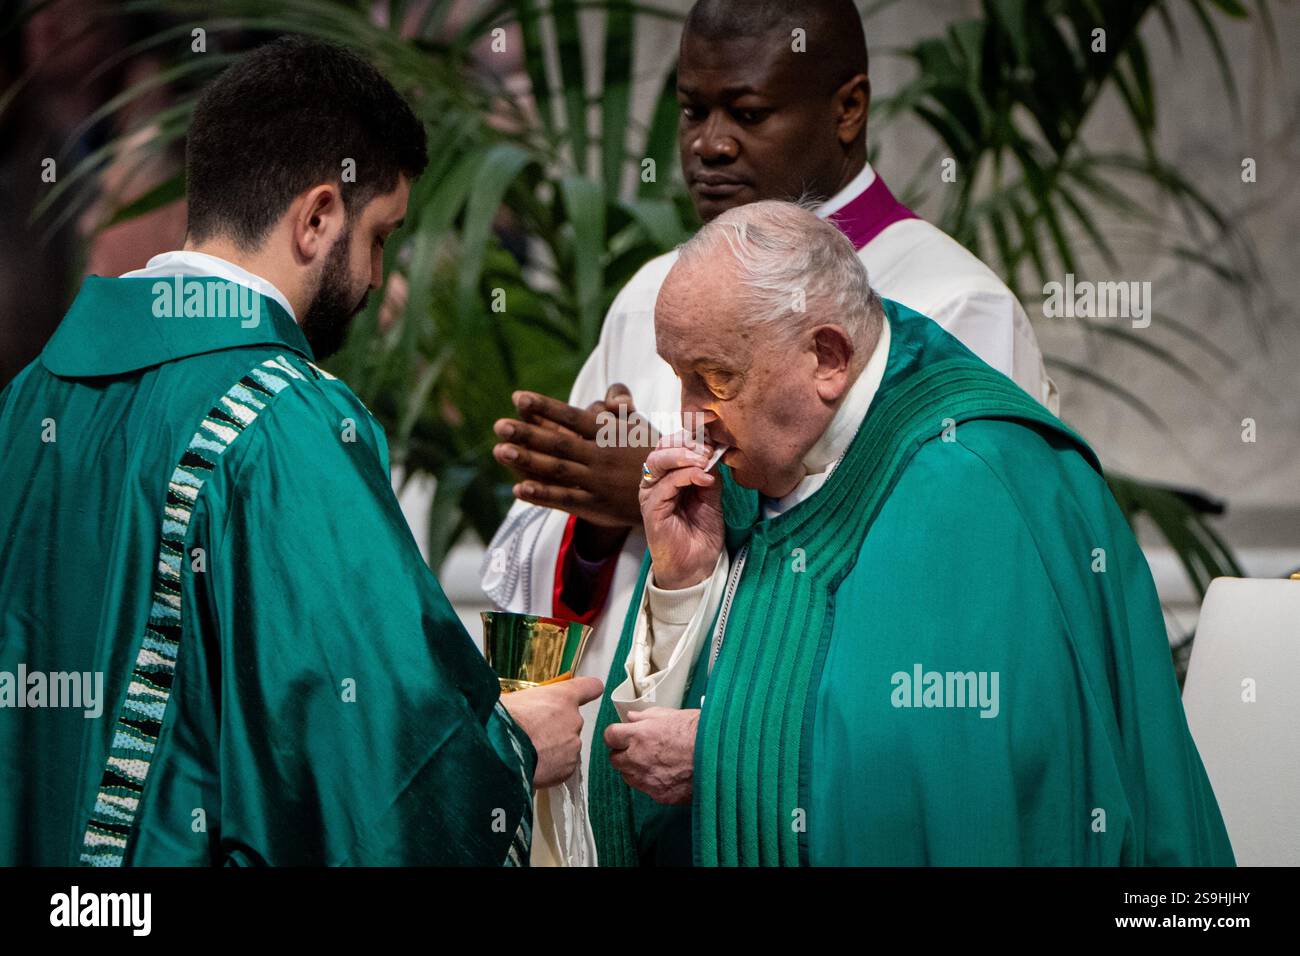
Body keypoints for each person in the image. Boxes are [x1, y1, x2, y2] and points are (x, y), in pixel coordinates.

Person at [0, 35, 600, 867]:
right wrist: (514, 752)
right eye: (381, 236)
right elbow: (378, 765)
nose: (377, 277)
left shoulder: (27, 401)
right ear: (318, 217)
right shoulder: (285, 422)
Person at [483, 0, 1057, 864]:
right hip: (631, 776)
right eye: (691, 110)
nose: (708, 144)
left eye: (746, 114)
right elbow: (535, 579)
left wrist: (676, 488)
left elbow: (955, 579)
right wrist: (597, 518)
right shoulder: (652, 293)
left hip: (815, 787)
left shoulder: (951, 304)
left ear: (848, 109)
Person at [588, 201, 1233, 866]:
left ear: (828, 357)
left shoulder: (976, 480)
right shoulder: (757, 470)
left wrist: (724, 757)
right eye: (679, 378)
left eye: (714, 379)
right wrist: (684, 587)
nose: (691, 417)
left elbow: (976, 770)